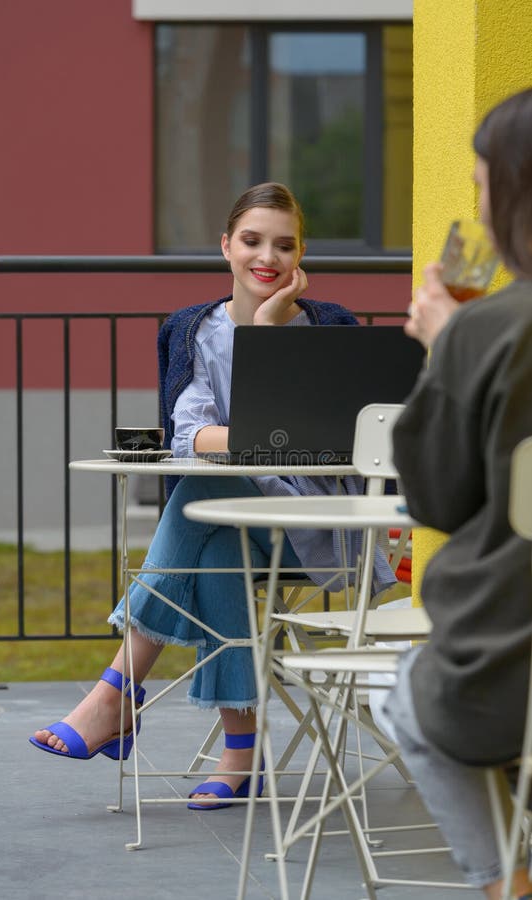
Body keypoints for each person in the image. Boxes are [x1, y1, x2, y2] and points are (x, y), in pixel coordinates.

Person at [30, 181, 395, 809]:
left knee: (202, 499)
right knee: (214, 530)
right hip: (234, 519)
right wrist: (256, 439)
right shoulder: (192, 330)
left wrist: (264, 333)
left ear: (301, 255)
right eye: (252, 241)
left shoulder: (328, 327)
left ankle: (116, 693)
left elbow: (334, 439)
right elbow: (189, 435)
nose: (267, 257)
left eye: (284, 245)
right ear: (226, 245)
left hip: (316, 526)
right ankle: (238, 755)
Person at [382, 88, 532, 899]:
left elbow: (435, 499)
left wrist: (446, 349)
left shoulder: (490, 327)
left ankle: (504, 880)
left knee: (401, 696)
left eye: (480, 183)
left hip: (508, 664)